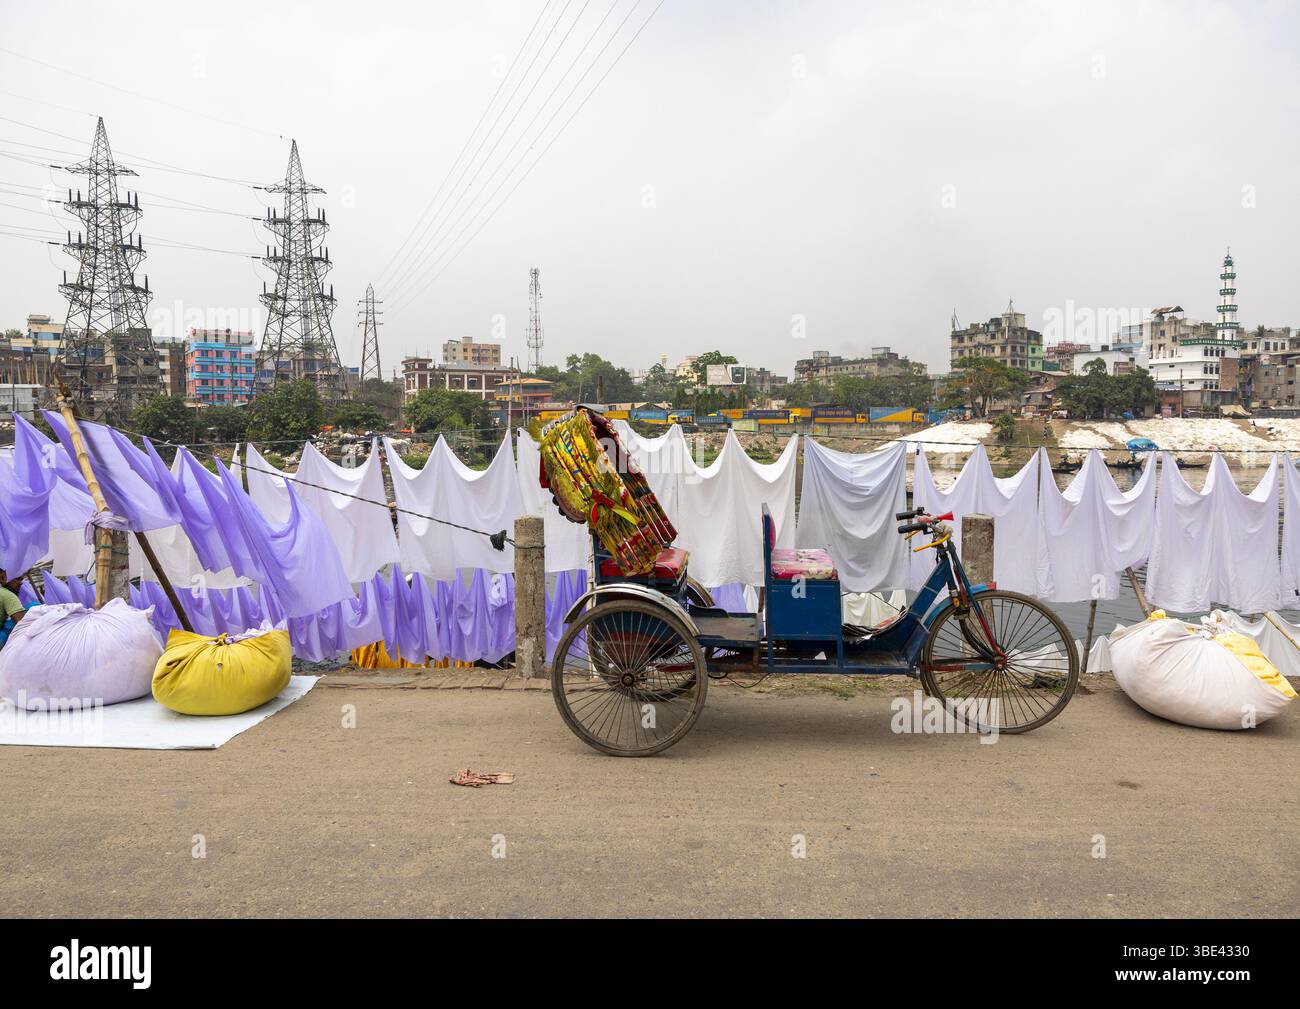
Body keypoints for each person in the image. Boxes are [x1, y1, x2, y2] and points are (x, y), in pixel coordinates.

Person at [0, 568, 28, 647]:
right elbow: (24, 625)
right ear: (2, 578)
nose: (21, 583)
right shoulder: (7, 595)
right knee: (33, 606)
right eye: (18, 579)